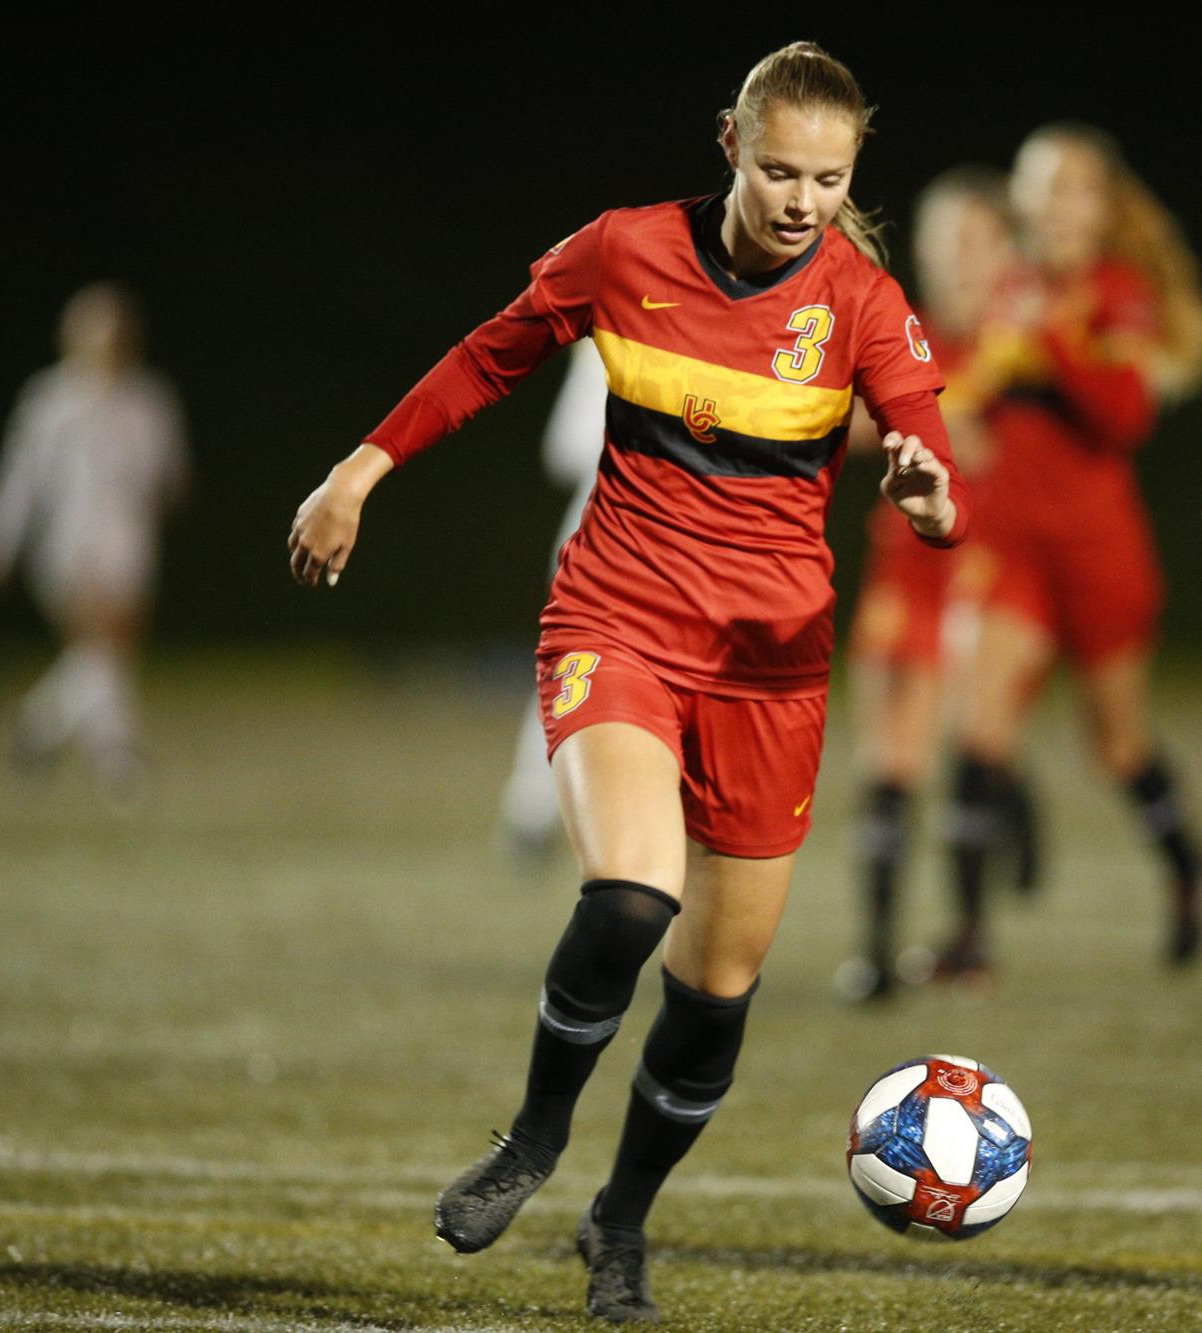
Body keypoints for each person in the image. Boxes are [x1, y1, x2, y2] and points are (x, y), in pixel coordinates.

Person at [286, 42, 967, 1324]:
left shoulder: (864, 302)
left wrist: (929, 495)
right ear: (728, 144)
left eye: (827, 178)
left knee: (715, 994)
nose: (800, 200)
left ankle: (620, 1222)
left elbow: (924, 447)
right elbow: (490, 356)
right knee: (632, 891)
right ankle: (534, 1138)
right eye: (778, 169)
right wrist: (357, 471)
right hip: (622, 620)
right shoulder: (623, 251)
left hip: (771, 671)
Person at [938, 124, 1202, 981]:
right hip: (1012, 551)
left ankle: (1185, 865)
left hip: (1099, 553)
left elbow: (1124, 415)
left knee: (1116, 744)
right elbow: (967, 393)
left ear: (1101, 208)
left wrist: (1053, 344)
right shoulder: (1008, 289)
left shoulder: (1118, 296)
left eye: (1072, 188)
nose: (1054, 205)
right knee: (977, 727)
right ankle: (968, 938)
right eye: (1040, 187)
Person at [837, 165, 1017, 1003]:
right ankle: (876, 954)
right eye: (946, 242)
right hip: (906, 566)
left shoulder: (1025, 342)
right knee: (892, 758)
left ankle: (972, 941)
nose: (960, 259)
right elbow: (850, 415)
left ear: (1007, 249)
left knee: (976, 748)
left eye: (977, 240)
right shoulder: (907, 333)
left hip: (990, 572)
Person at [0, 281, 190, 803]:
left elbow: (169, 475)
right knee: (100, 647)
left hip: (130, 548)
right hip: (67, 547)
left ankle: (38, 724)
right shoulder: (49, 404)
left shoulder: (149, 402)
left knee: (107, 655)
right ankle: (118, 761)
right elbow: (18, 480)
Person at [499, 339, 608, 859]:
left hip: (597, 534)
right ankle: (536, 810)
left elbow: (563, 452)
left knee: (570, 673)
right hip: (607, 535)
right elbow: (571, 450)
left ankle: (535, 811)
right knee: (571, 672)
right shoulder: (628, 333)